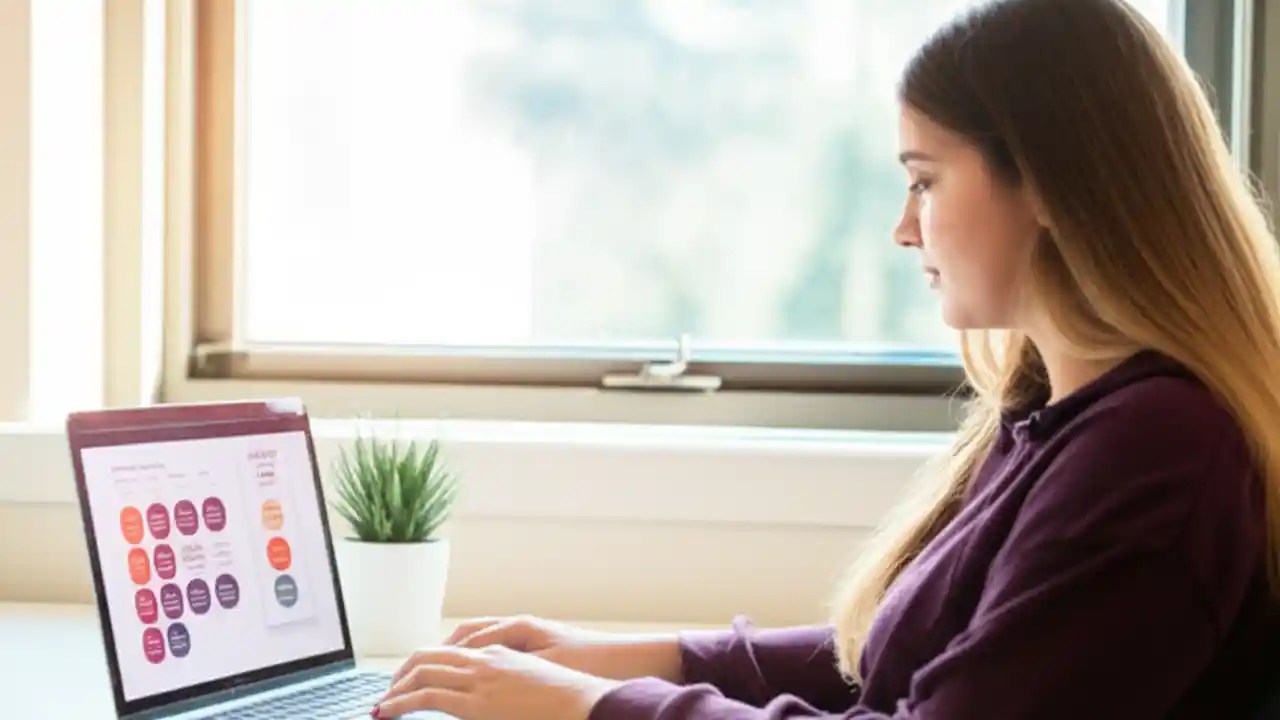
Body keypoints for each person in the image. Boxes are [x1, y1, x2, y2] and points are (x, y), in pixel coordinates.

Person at [373, 0, 1280, 717]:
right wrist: (632, 657)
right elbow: (908, 656)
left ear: (1045, 181)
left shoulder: (1157, 453)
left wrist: (595, 705)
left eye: (924, 180)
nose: (904, 227)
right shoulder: (1055, 420)